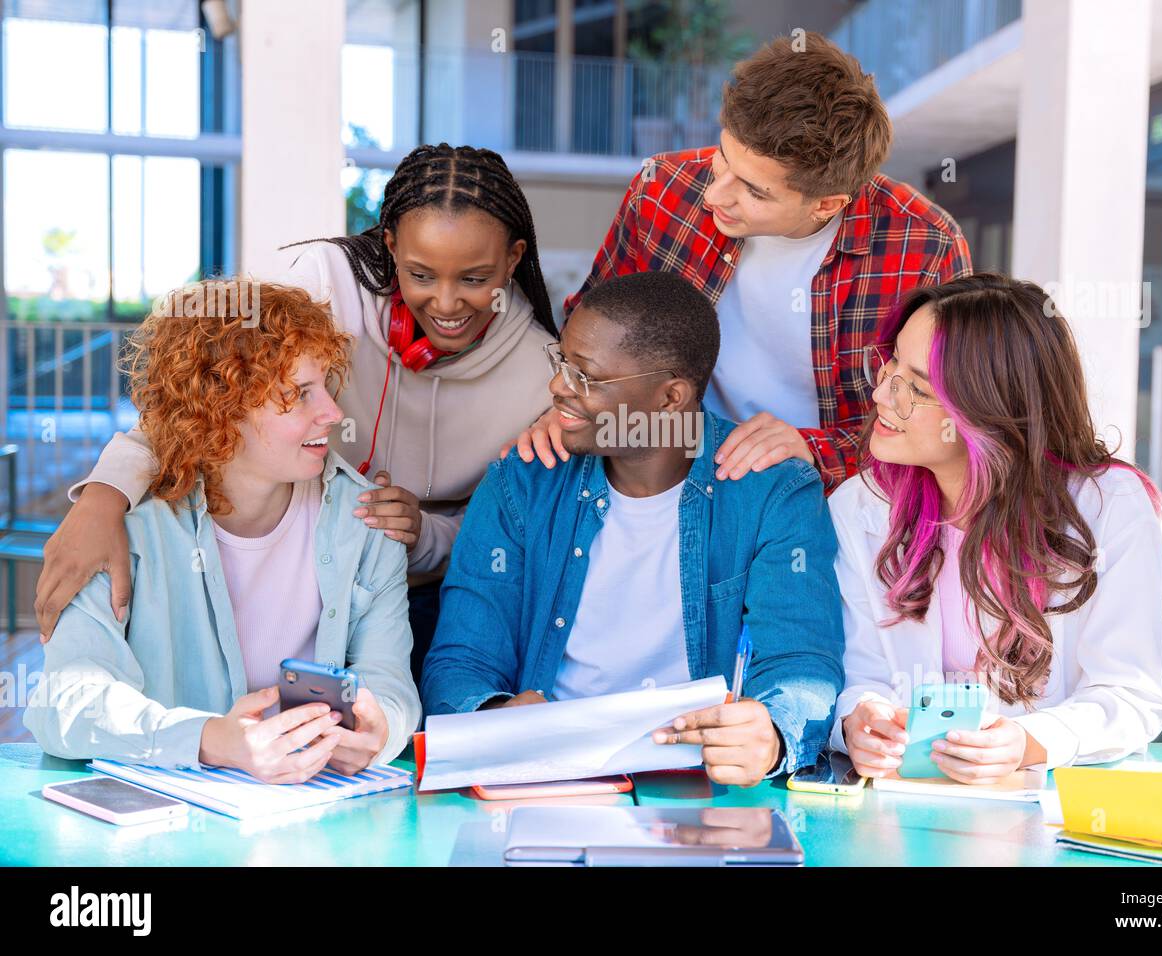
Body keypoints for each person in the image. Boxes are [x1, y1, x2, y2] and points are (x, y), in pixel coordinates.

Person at [35, 144, 557, 682]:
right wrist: (103, 495)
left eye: (474, 279)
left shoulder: (543, 373)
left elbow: (504, 529)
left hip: (427, 601)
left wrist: (423, 534)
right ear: (391, 245)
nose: (446, 304)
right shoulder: (329, 280)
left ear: (513, 259)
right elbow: (214, 389)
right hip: (306, 573)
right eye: (420, 274)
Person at [423, 271, 845, 787]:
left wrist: (772, 734)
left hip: (698, 782)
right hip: (549, 780)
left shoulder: (772, 491)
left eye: (587, 377)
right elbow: (461, 659)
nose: (558, 388)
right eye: (562, 363)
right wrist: (491, 715)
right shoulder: (522, 480)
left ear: (671, 398)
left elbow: (802, 664)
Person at [509, 32, 971, 493]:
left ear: (826, 205)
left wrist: (815, 448)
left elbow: (947, 414)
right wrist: (572, 410)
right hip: (671, 466)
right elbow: (592, 329)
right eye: (721, 158)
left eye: (754, 191)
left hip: (834, 493)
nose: (714, 194)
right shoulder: (661, 190)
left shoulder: (926, 247)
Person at [25, 281, 421, 780]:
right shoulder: (122, 529)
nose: (334, 414)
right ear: (221, 411)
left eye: (325, 385)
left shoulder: (366, 520)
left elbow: (391, 685)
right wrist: (213, 740)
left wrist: (380, 727)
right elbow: (64, 702)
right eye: (299, 395)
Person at [828, 273, 1162, 783]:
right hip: (903, 807)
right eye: (891, 363)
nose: (882, 393)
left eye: (916, 388)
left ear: (988, 414)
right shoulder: (861, 507)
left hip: (1044, 808)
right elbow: (858, 677)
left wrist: (1030, 742)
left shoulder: (1110, 508)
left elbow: (1131, 695)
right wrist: (860, 721)